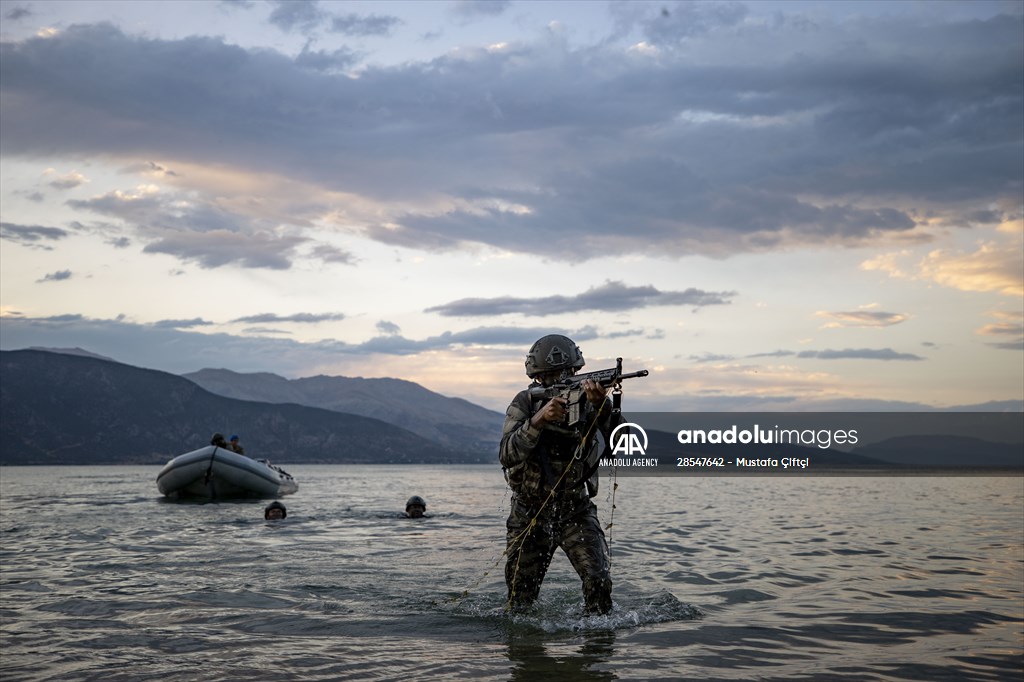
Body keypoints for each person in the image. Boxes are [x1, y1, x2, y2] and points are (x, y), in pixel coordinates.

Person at [499, 334, 624, 615]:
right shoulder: (526, 402)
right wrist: (538, 420)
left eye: (568, 372)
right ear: (539, 377)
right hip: (529, 512)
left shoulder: (591, 401)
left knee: (598, 582)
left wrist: (603, 408)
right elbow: (507, 454)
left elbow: (624, 442)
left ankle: (598, 638)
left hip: (575, 509)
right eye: (553, 375)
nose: (562, 378)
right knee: (520, 600)